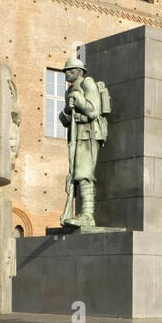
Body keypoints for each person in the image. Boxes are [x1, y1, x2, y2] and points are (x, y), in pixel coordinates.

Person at [59, 56, 107, 229]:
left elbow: (94, 111)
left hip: (89, 132)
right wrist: (67, 109)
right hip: (76, 134)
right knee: (75, 175)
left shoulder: (87, 84)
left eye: (70, 71)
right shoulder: (68, 91)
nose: (66, 74)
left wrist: (78, 99)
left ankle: (88, 215)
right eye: (66, 71)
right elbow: (64, 119)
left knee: (84, 174)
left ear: (79, 72)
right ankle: (81, 213)